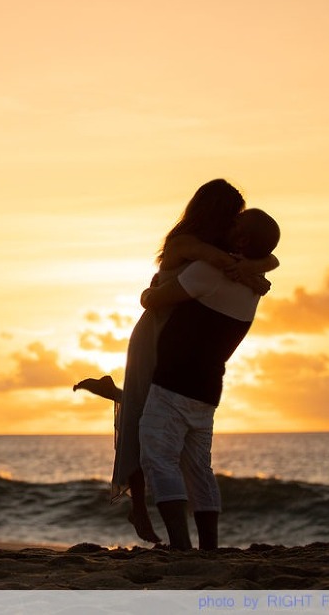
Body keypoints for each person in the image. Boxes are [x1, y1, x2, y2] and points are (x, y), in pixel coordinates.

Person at [74, 180, 278, 544]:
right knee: (142, 418)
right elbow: (222, 262)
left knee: (149, 416)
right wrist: (247, 271)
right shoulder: (186, 244)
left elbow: (272, 258)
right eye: (232, 215)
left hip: (181, 332)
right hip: (157, 331)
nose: (234, 222)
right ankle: (138, 509)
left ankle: (117, 396)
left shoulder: (220, 251)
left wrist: (255, 267)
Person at [138, 208, 281, 551]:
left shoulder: (208, 273)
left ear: (242, 239)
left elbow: (153, 301)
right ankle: (209, 547)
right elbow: (269, 262)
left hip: (175, 379)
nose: (227, 225)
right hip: (207, 388)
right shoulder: (252, 288)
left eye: (234, 223)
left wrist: (151, 289)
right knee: (198, 466)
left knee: (158, 456)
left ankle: (180, 546)